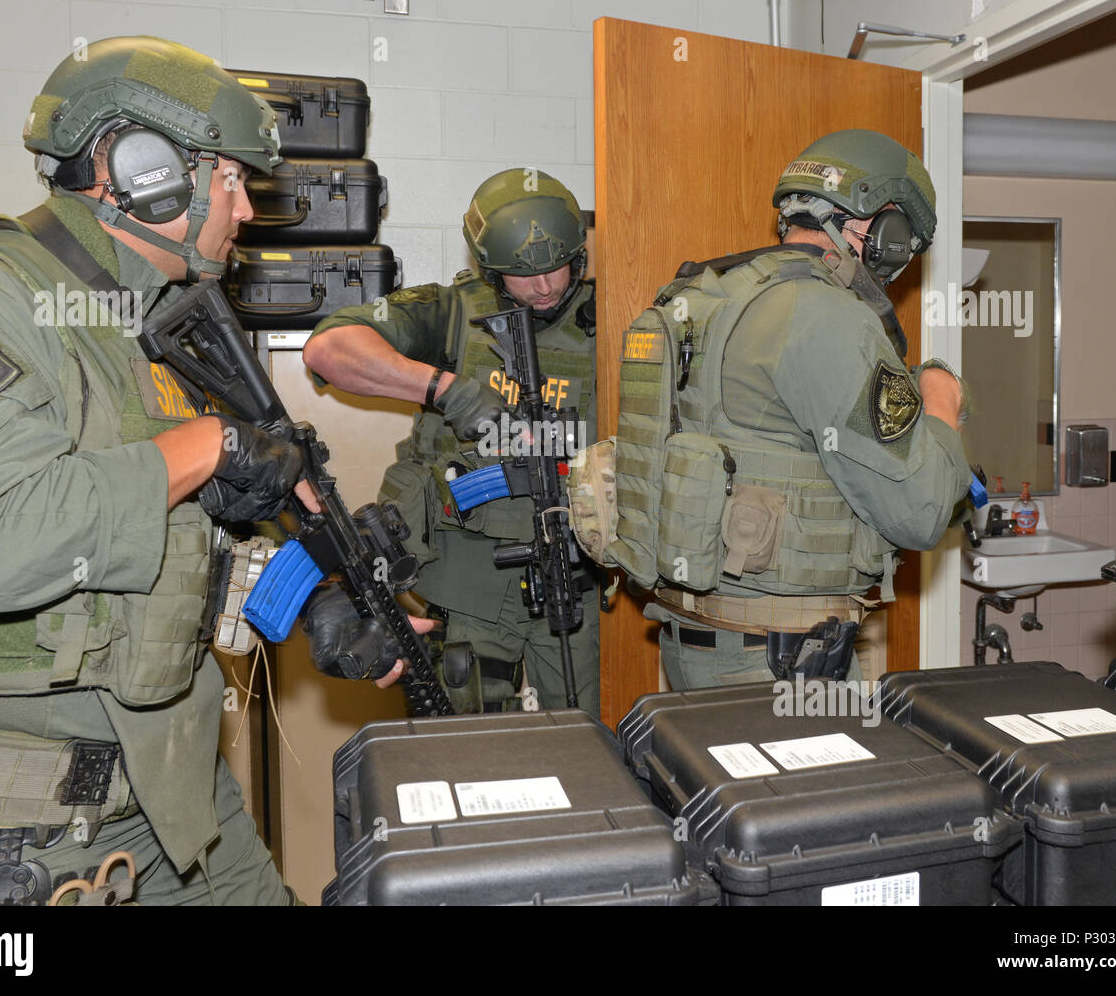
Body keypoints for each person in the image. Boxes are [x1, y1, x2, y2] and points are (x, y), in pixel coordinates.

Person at [0, 36, 325, 906]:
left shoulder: (142, 326)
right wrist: (204, 446)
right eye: (231, 179)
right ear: (143, 170)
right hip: (1, 845)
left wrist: (316, 592)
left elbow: (163, 546)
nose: (245, 210)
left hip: (170, 800)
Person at [597, 129, 969, 690]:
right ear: (878, 225)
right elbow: (921, 510)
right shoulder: (825, 316)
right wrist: (940, 399)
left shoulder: (703, 297)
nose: (901, 262)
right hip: (779, 663)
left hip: (697, 641)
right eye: (904, 238)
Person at [303, 169, 601, 715]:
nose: (544, 287)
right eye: (520, 275)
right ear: (489, 270)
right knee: (466, 750)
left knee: (588, 744)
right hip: (467, 586)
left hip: (576, 582)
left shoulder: (610, 311)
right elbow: (328, 349)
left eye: (557, 267)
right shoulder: (450, 312)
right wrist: (446, 390)